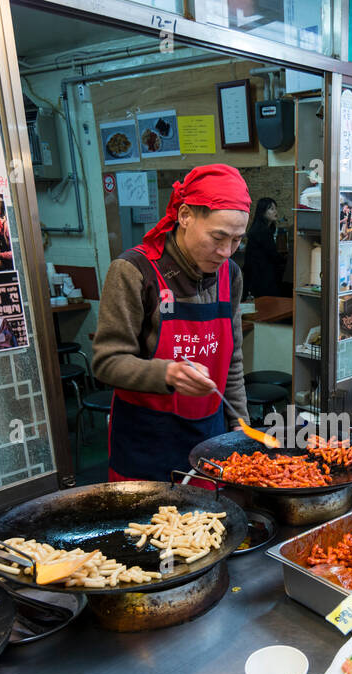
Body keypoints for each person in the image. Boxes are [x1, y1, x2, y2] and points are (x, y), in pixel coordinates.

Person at [92, 163, 250, 482]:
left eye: (236, 240)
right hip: (147, 439)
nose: (225, 251)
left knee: (208, 525)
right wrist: (167, 372)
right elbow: (106, 362)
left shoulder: (230, 275)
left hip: (210, 434)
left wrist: (239, 424)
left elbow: (231, 359)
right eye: (218, 237)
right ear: (185, 215)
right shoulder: (133, 271)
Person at [242, 197, 286, 298]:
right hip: (259, 276)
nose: (275, 212)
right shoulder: (261, 230)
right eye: (271, 209)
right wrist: (285, 260)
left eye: (275, 208)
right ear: (262, 212)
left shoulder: (265, 228)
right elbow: (272, 254)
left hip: (259, 273)